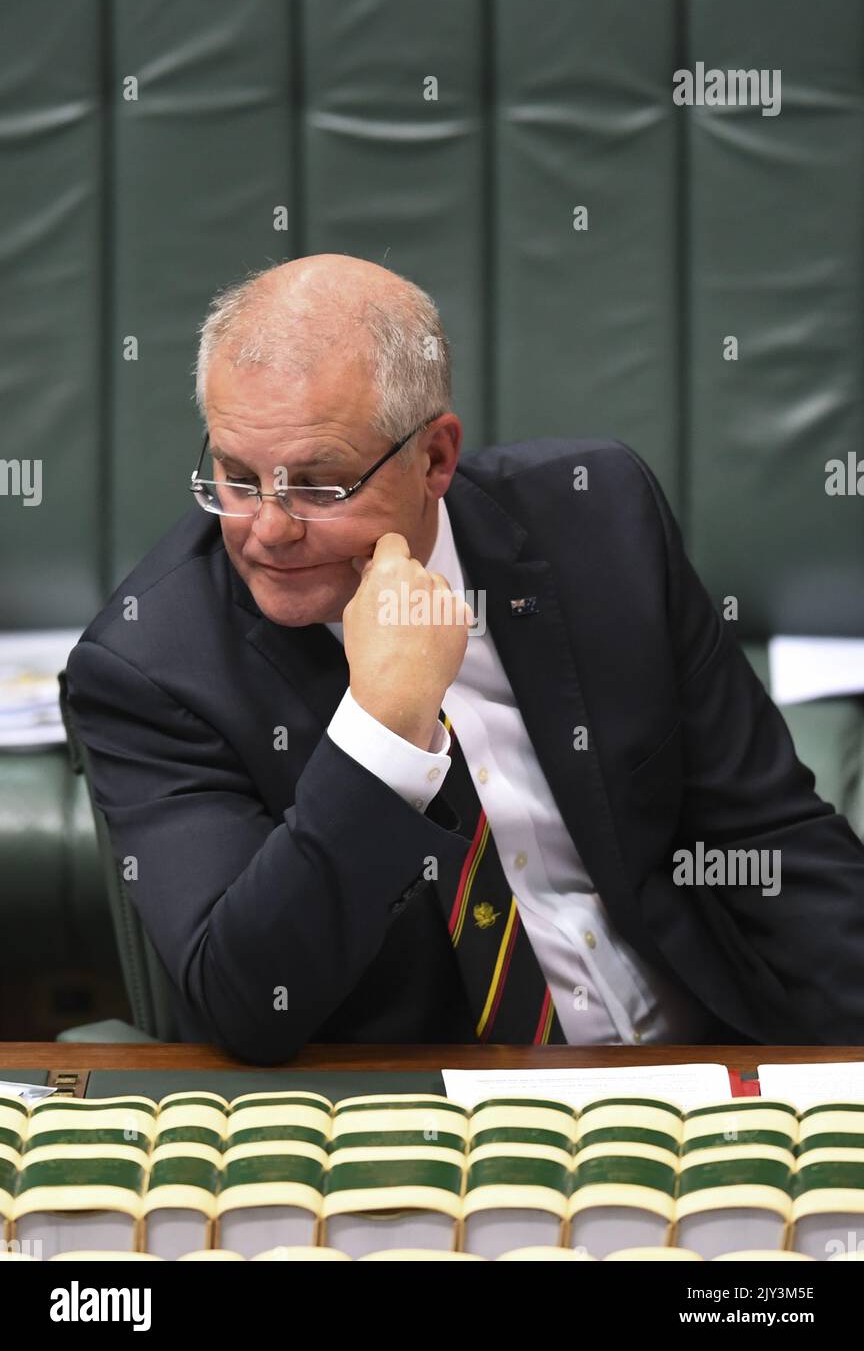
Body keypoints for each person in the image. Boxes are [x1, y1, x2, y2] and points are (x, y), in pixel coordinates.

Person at [64, 254, 864, 1064]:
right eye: (236, 478)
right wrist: (383, 731)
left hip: (694, 1070)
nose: (268, 529)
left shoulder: (600, 519)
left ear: (436, 459)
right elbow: (246, 1002)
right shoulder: (145, 668)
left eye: (319, 485)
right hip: (425, 1136)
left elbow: (776, 844)